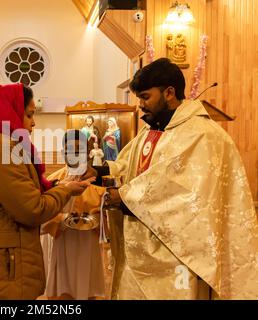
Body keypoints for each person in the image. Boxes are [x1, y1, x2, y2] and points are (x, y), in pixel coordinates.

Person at [87, 58, 258, 299]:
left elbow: (179, 191)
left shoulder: (202, 134)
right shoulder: (152, 129)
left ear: (169, 92)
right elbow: (128, 165)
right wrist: (99, 172)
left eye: (145, 97)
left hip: (175, 256)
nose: (141, 105)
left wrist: (122, 197)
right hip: (137, 250)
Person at [0, 83, 94, 300]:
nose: (34, 123)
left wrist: (60, 187)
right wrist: (65, 190)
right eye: (28, 115)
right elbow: (32, 208)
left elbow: (23, 193)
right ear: (9, 112)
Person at [41, 130, 106, 300]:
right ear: (64, 152)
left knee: (89, 290)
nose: (75, 155)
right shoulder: (53, 181)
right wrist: (62, 220)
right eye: (70, 150)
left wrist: (98, 219)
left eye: (80, 150)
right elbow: (42, 214)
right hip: (62, 245)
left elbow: (108, 216)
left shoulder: (98, 180)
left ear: (87, 152)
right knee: (63, 293)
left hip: (89, 246)